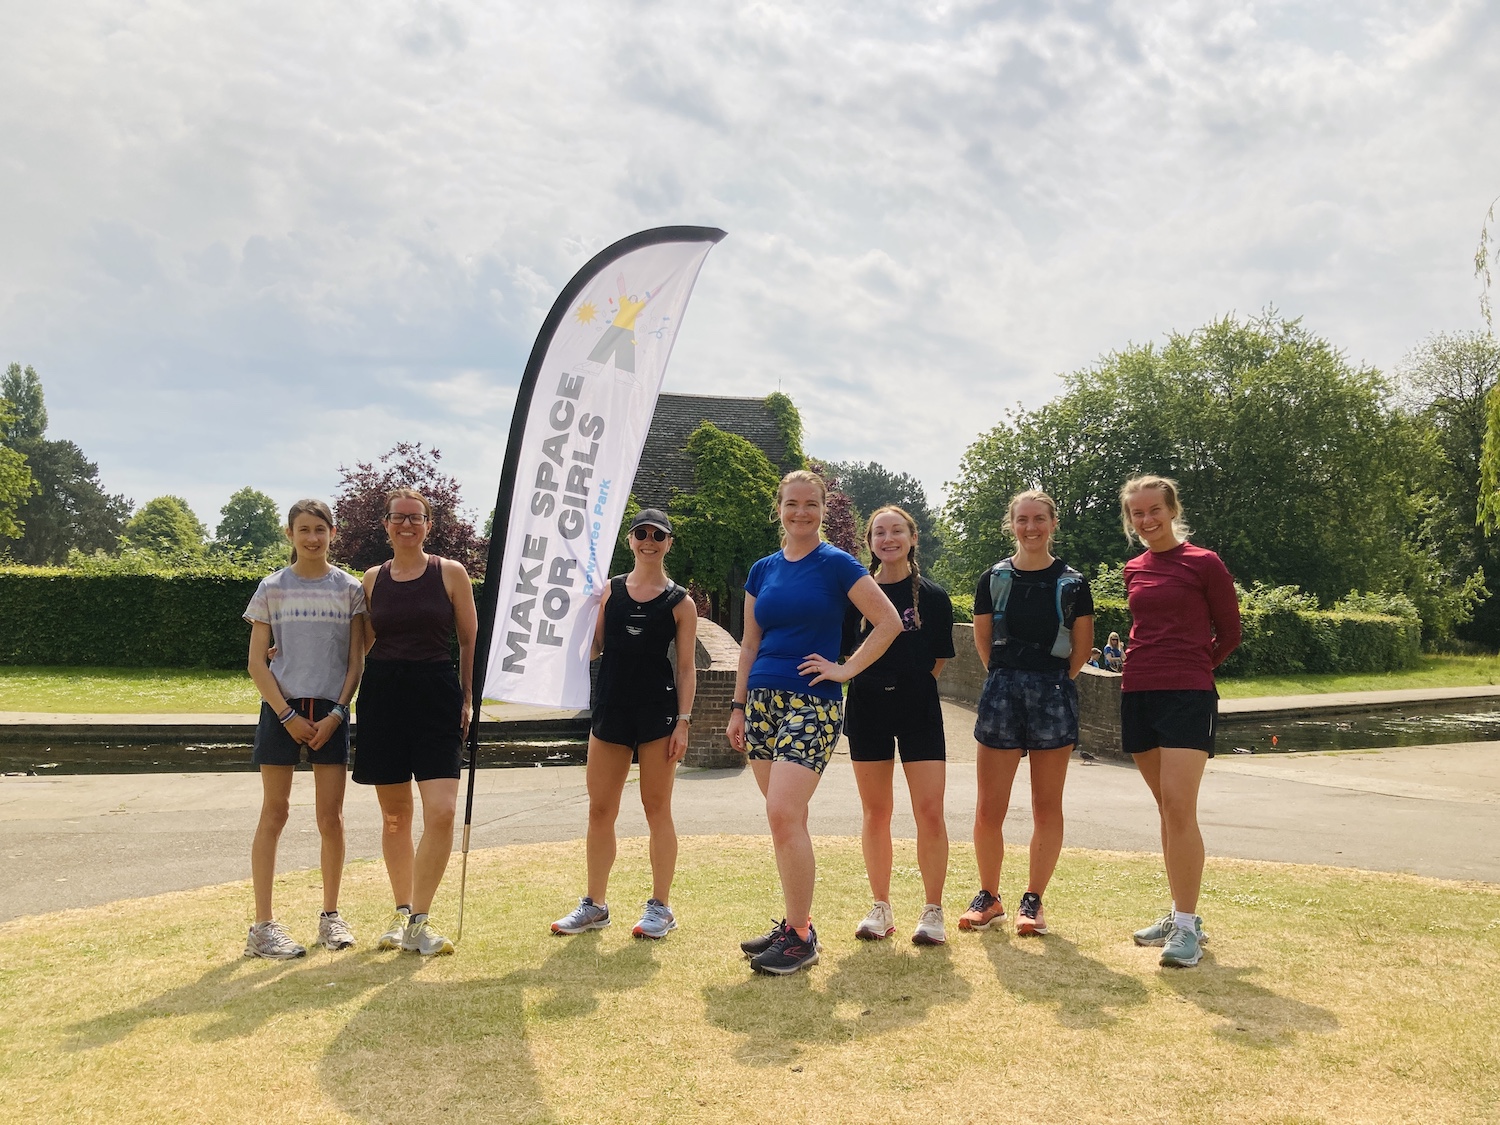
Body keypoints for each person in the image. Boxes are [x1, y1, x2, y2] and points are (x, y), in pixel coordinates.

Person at [727, 470, 903, 975]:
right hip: (761, 699)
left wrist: (844, 669)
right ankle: (794, 922)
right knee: (788, 819)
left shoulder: (837, 564)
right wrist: (738, 706)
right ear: (778, 508)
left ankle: (801, 938)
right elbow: (750, 643)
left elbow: (889, 621)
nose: (801, 512)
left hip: (814, 701)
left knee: (782, 812)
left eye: (811, 504)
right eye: (792, 504)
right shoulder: (762, 570)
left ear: (823, 509)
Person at [551, 508, 698, 940]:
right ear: (630, 540)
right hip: (611, 709)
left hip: (658, 714)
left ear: (669, 543)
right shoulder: (608, 592)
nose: (649, 540)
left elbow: (686, 668)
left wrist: (684, 722)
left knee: (657, 810)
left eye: (658, 535)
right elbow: (593, 647)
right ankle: (595, 905)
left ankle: (661, 908)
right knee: (600, 809)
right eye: (641, 533)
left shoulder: (681, 602)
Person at [959, 490, 1094, 939]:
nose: (1031, 527)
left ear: (1053, 523)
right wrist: (1009, 678)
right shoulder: (993, 578)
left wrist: (1048, 680)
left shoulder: (1073, 583)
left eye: (1039, 519)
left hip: (1053, 692)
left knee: (1045, 806)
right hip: (1002, 691)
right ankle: (989, 895)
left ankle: (1033, 899)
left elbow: (1079, 650)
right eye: (1023, 519)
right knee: (988, 808)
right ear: (1011, 524)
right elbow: (984, 644)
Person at [1118, 475, 1240, 968]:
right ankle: (1178, 914)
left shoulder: (1204, 562)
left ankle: (1186, 927)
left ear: (1172, 510)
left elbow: (1229, 633)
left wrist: (1194, 668)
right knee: (1166, 808)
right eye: (1137, 514)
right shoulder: (1133, 568)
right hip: (1138, 690)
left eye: (1154, 511)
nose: (1147, 521)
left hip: (1187, 694)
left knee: (1181, 809)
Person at [355, 488, 478, 957]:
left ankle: (419, 921)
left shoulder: (451, 573)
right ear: (385, 525)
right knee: (394, 818)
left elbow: (468, 640)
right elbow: (358, 644)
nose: (407, 525)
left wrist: (468, 698)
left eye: (416, 518)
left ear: (429, 525)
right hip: (384, 696)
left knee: (442, 813)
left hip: (436, 695)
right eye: (398, 518)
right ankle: (401, 910)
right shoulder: (371, 580)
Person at [242, 499, 367, 959]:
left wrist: (338, 712)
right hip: (282, 710)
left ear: (332, 533)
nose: (312, 538)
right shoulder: (272, 588)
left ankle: (331, 918)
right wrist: (287, 715)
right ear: (289, 534)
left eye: (320, 529)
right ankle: (262, 927)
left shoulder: (350, 589)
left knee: (330, 818)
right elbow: (257, 662)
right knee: (274, 813)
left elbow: (356, 660)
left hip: (331, 712)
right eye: (303, 530)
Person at [842, 506, 955, 945]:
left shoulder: (933, 596)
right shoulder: (853, 596)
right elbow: (844, 652)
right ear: (869, 541)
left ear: (912, 537)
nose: (887, 539)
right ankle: (881, 906)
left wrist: (911, 687)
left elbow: (938, 660)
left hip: (918, 706)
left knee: (929, 811)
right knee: (876, 811)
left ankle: (932, 910)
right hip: (867, 705)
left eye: (896, 531)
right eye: (879, 532)